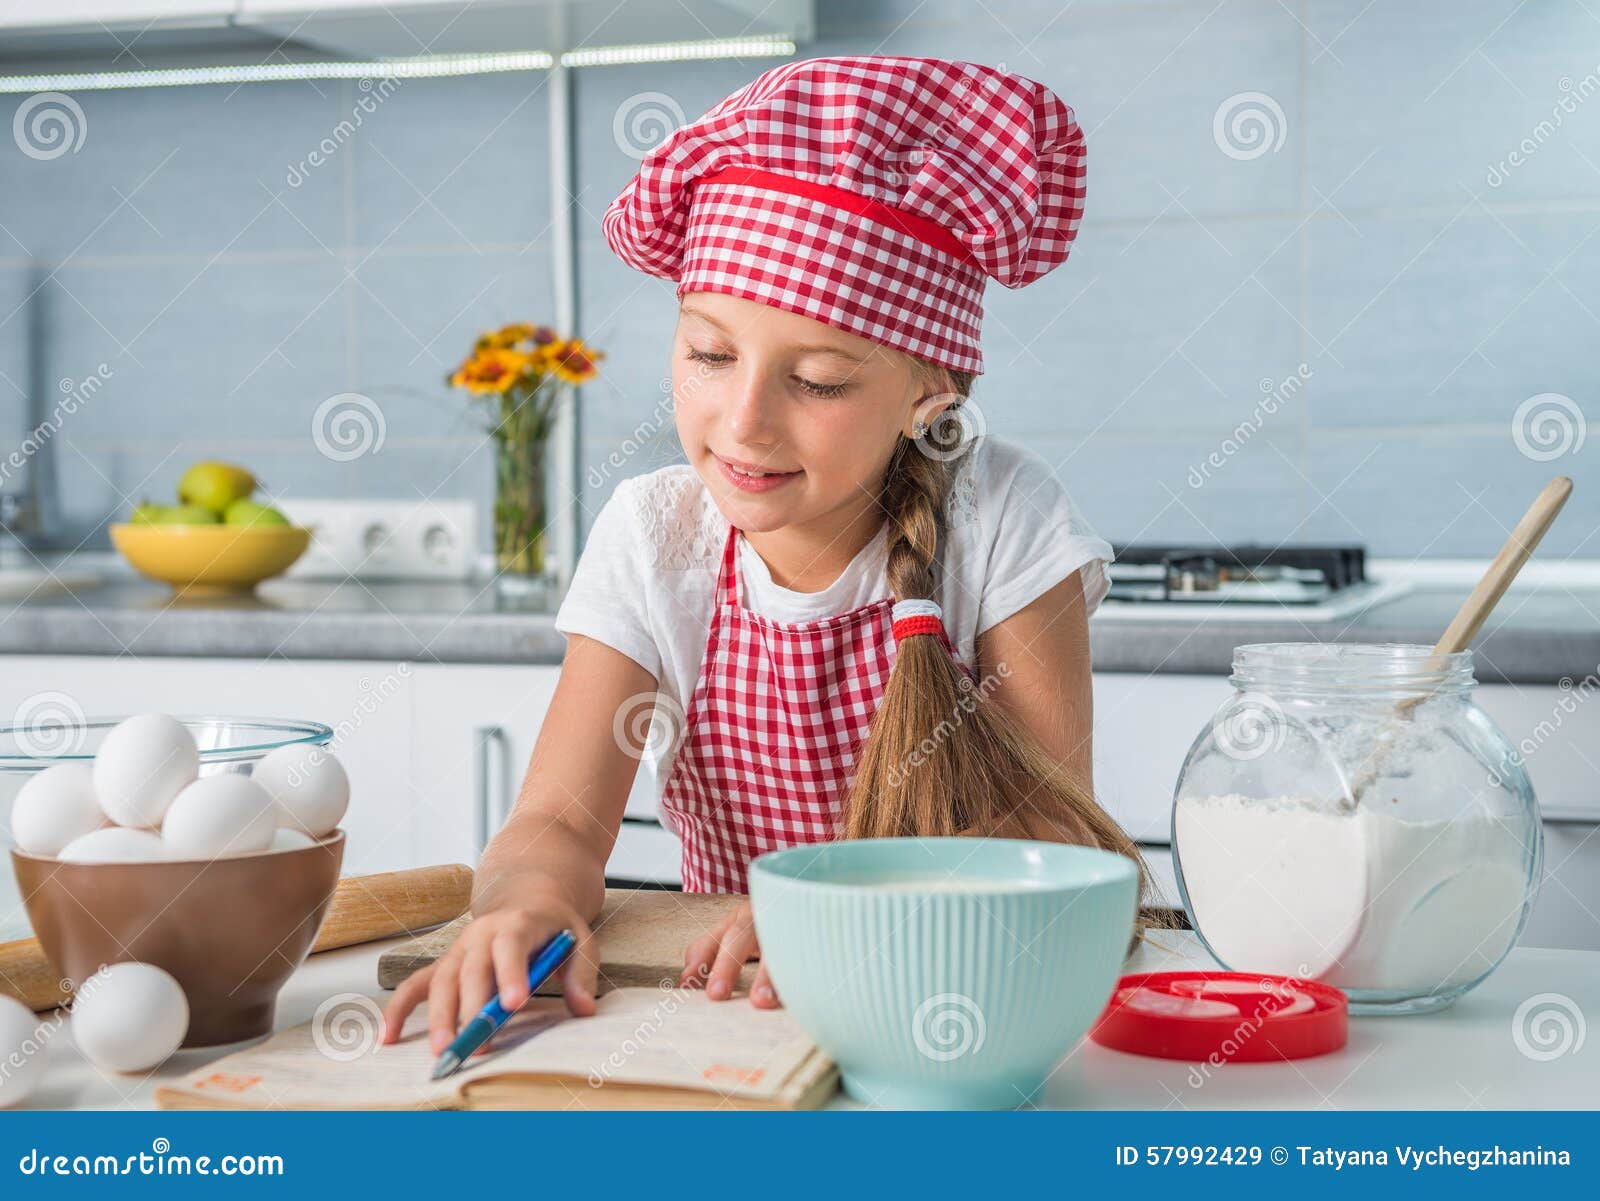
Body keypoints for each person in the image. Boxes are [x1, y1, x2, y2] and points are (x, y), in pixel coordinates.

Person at [382, 56, 1156, 1057]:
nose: (742, 423)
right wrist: (523, 904)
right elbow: (558, 827)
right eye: (710, 355)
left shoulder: (1006, 519)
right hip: (741, 1019)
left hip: (950, 1005)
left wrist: (838, 916)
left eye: (821, 381)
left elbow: (1056, 848)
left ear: (929, 391)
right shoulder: (653, 534)